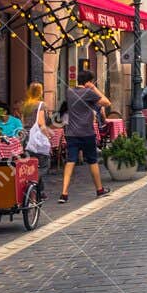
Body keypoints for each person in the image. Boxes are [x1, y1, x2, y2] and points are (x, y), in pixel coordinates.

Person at [60, 70, 112, 203]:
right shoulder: (89, 93)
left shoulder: (69, 92)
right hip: (87, 132)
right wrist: (94, 88)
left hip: (71, 133)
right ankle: (99, 190)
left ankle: (64, 193)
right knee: (92, 161)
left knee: (70, 161)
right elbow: (107, 102)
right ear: (88, 81)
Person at [22, 82, 53, 171]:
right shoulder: (41, 105)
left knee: (30, 164)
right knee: (43, 165)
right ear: (40, 92)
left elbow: (22, 122)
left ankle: (33, 183)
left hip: (26, 137)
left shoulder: (25, 105)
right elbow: (41, 123)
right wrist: (48, 137)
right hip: (37, 137)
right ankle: (34, 182)